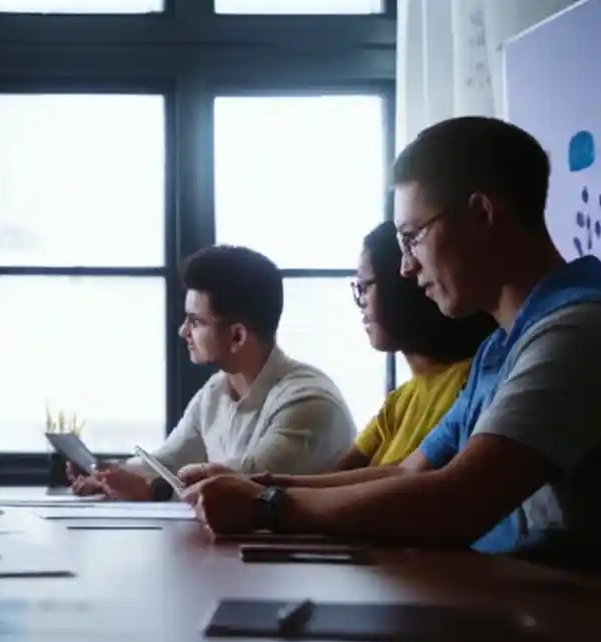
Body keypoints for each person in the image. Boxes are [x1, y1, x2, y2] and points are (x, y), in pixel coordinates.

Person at [181, 117, 601, 570]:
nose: (405, 267)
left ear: (482, 215)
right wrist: (260, 484)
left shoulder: (574, 332)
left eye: (412, 237)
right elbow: (407, 470)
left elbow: (458, 501)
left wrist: (267, 506)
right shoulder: (500, 349)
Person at [74, 245, 356, 502]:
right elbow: (167, 460)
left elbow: (246, 484)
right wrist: (108, 476)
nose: (183, 331)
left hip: (302, 556)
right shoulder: (215, 392)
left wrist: (152, 491)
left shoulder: (308, 403)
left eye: (195, 322)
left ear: (237, 337)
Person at [333, 221, 495, 470]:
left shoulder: (471, 381)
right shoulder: (398, 401)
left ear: (400, 285)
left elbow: (407, 479)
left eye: (365, 287)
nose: (360, 303)